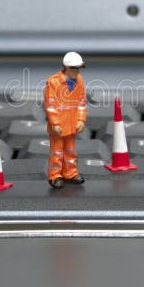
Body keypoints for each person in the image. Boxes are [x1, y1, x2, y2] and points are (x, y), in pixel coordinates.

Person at [44, 51, 88, 188]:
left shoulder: (79, 81)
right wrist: (55, 123)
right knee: (57, 152)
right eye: (74, 68)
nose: (76, 71)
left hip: (72, 124)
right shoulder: (53, 82)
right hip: (58, 126)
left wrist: (81, 120)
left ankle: (70, 174)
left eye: (78, 68)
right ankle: (55, 176)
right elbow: (50, 105)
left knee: (70, 151)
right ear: (66, 67)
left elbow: (81, 102)